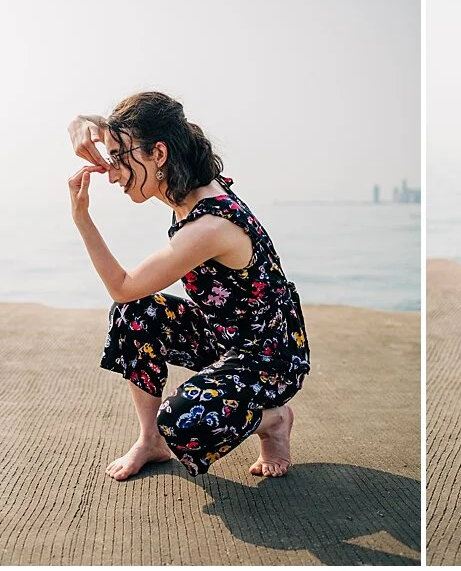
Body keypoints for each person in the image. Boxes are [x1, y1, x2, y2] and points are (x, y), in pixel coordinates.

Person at [67, 91, 309, 480]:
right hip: (221, 335)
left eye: (118, 160)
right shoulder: (186, 183)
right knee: (134, 314)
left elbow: (123, 285)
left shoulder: (210, 226)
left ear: (158, 155)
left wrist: (82, 220)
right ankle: (150, 442)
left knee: (182, 420)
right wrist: (83, 122)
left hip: (268, 357)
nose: (111, 174)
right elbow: (145, 132)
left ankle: (273, 419)